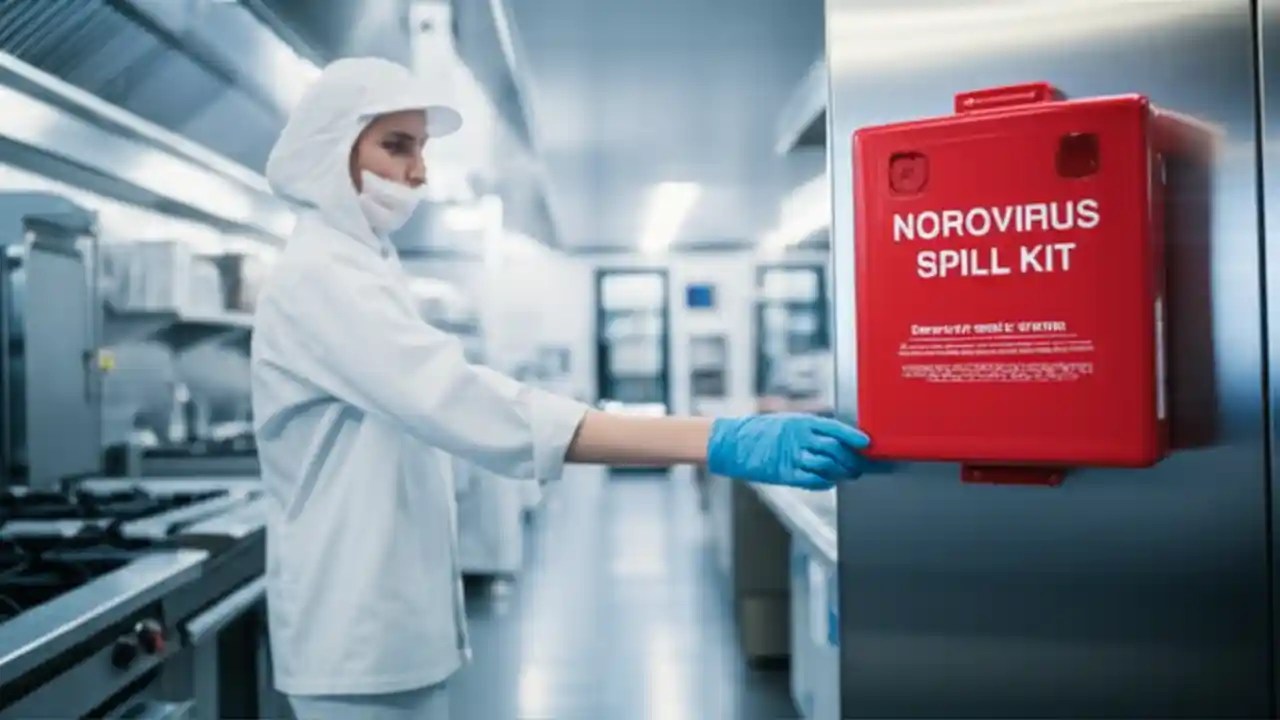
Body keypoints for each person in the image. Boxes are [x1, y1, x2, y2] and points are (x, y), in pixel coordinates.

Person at [251, 57, 875, 720]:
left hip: (384, 624)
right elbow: (465, 404)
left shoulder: (363, 265)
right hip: (354, 632)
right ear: (331, 150)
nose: (420, 172)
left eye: (422, 149)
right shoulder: (323, 276)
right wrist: (716, 440)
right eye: (397, 146)